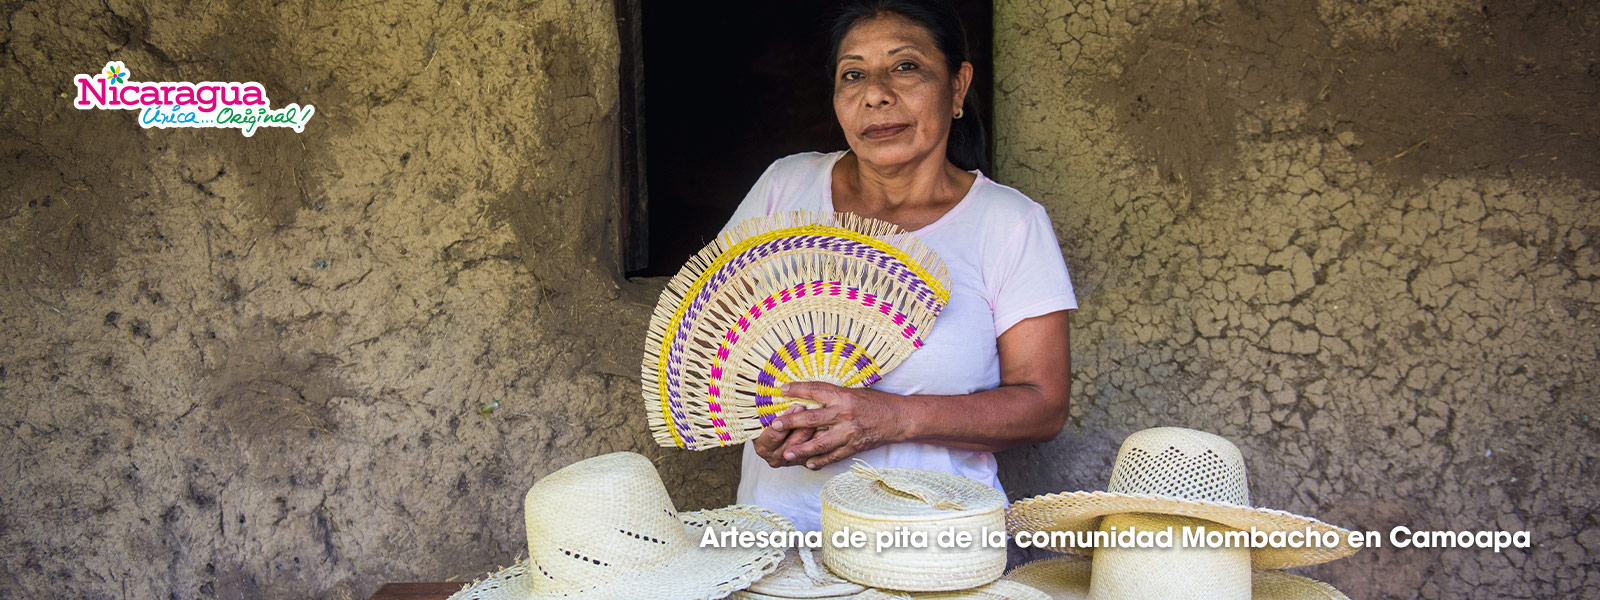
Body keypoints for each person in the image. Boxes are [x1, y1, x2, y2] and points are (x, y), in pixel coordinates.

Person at [717, 0, 1077, 532]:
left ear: (957, 86)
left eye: (905, 67)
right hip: (776, 534)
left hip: (933, 540)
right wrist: (764, 420)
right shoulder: (784, 188)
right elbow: (720, 344)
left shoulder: (1008, 223)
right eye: (853, 74)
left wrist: (891, 418)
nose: (875, 94)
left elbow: (1043, 406)